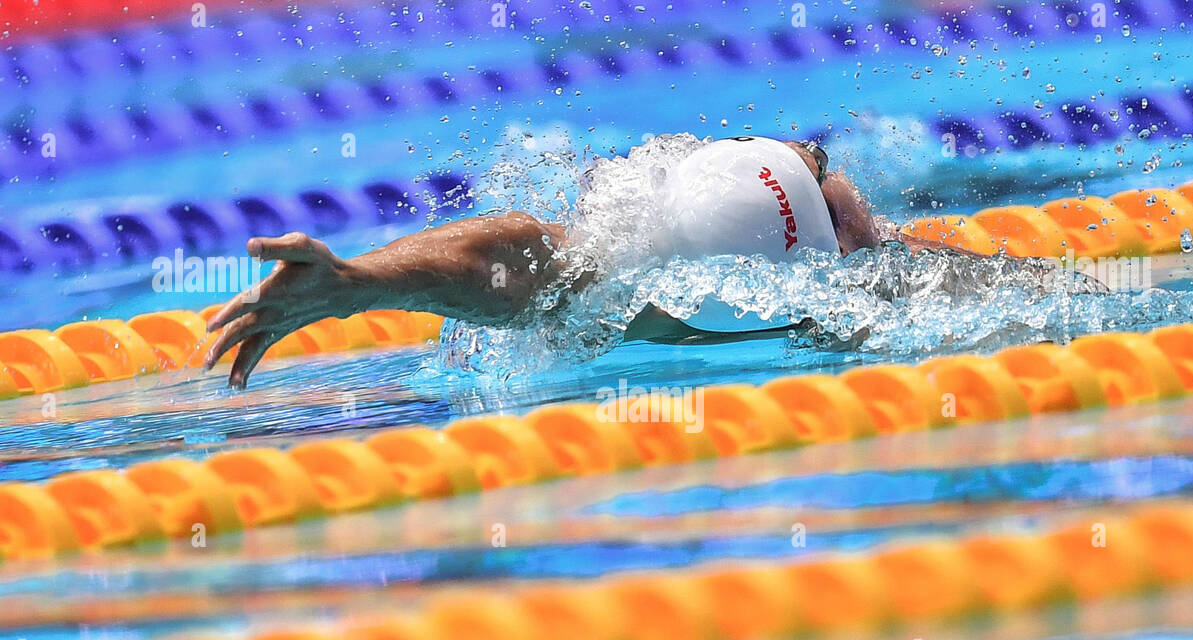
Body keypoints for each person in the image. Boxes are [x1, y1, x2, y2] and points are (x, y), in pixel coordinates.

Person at [205, 135, 970, 388]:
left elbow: (525, 258)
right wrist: (358, 285)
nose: (850, 183)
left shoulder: (637, 272)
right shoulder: (869, 308)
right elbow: (507, 254)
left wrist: (359, 283)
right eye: (824, 173)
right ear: (820, 250)